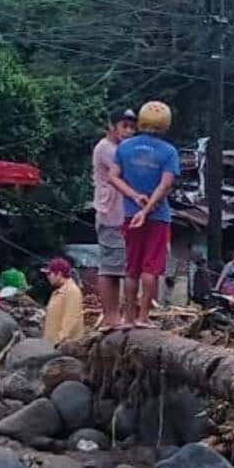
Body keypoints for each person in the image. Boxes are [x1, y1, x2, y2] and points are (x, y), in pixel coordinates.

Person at [116, 101, 181, 325]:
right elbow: (164, 186)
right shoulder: (169, 152)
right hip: (158, 218)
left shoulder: (124, 147)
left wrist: (135, 198)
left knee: (132, 268)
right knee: (150, 268)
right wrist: (147, 209)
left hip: (130, 216)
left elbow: (113, 177)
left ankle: (127, 317)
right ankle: (143, 317)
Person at [93, 109, 138, 328]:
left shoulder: (121, 149)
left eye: (132, 127)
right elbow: (127, 173)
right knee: (110, 268)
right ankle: (111, 317)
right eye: (124, 126)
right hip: (111, 214)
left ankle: (121, 315)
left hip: (125, 216)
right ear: (112, 126)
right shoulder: (107, 149)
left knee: (124, 268)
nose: (129, 131)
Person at [43, 257, 85, 344]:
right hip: (51, 346)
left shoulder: (72, 291)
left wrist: (59, 341)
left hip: (64, 347)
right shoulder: (57, 292)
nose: (48, 277)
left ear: (59, 274)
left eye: (49, 274)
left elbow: (71, 319)